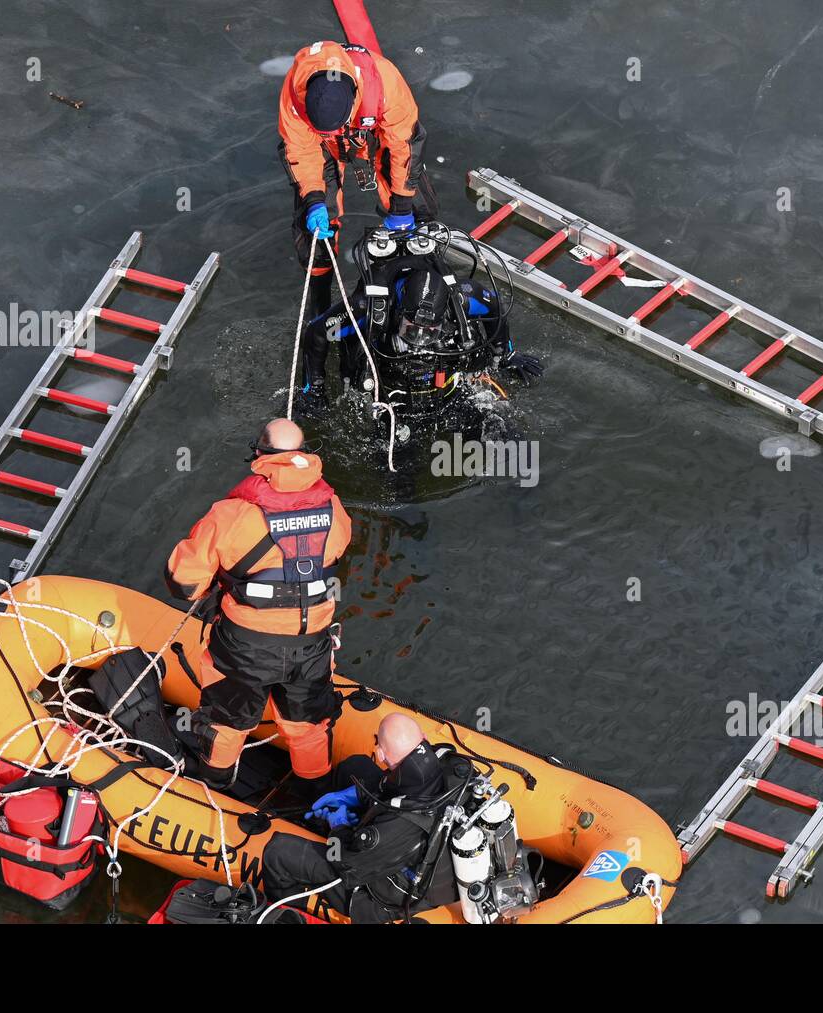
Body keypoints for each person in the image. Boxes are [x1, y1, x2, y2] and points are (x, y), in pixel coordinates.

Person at [165, 419, 351, 790]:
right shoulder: (334, 508)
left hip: (245, 645)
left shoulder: (232, 514)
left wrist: (222, 583)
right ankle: (313, 794)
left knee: (228, 719)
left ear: (260, 455)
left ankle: (214, 783)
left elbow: (183, 582)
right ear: (303, 454)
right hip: (311, 643)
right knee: (308, 724)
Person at [298, 229, 544, 417]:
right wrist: (315, 390)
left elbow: (495, 308)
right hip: (390, 386)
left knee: (485, 422)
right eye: (412, 330)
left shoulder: (463, 297)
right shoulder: (367, 307)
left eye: (429, 332)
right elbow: (317, 331)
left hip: (442, 380)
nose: (419, 340)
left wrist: (506, 355)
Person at [277, 40, 439, 318]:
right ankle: (319, 309)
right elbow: (301, 150)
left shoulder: (386, 84)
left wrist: (401, 207)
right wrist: (315, 199)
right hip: (322, 147)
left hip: (375, 136)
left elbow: (404, 147)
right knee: (314, 232)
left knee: (418, 214)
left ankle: (421, 295)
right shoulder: (295, 93)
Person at [255, 713, 465, 923]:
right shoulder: (446, 766)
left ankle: (288, 918)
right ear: (424, 739)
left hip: (379, 895)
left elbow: (347, 863)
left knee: (278, 853)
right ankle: (329, 822)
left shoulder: (399, 825)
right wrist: (355, 794)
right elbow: (398, 788)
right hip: (413, 843)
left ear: (380, 754)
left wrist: (338, 827)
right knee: (355, 767)